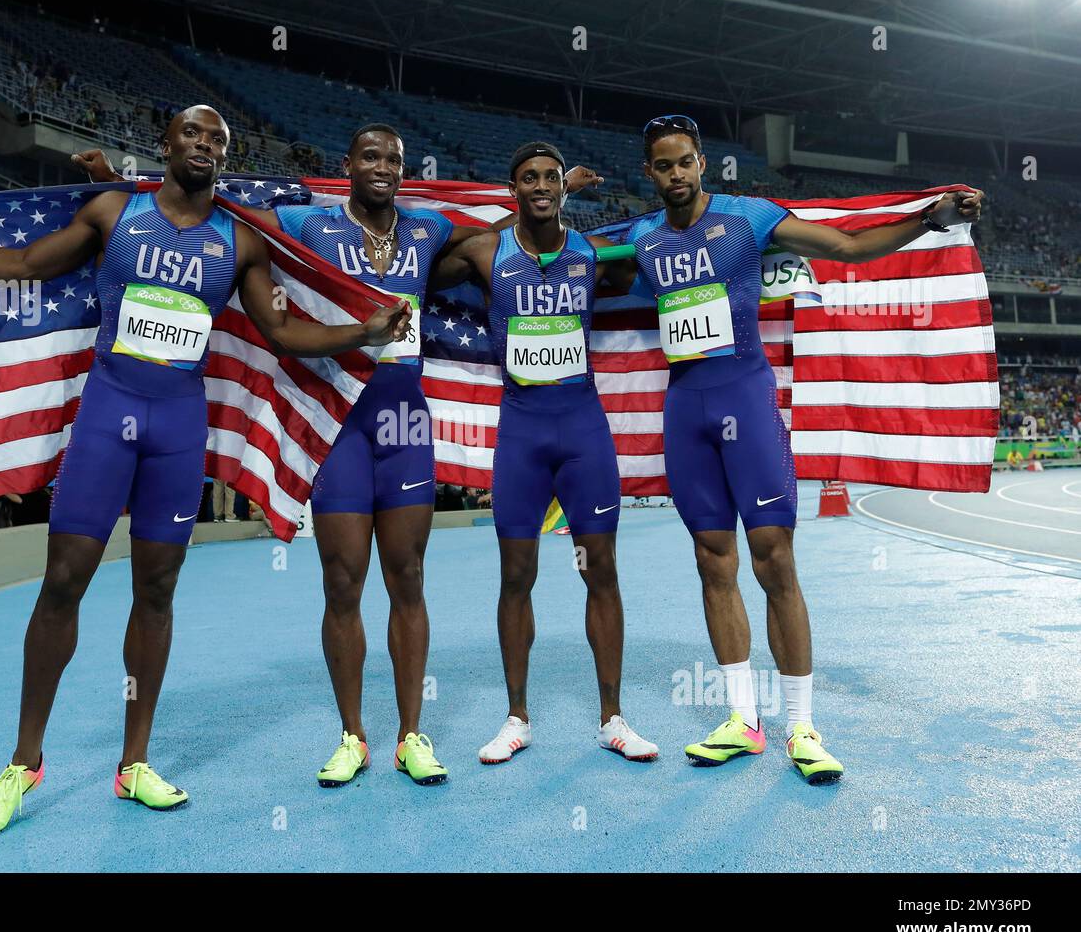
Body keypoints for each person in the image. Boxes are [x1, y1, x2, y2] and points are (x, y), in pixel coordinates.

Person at [0, 104, 410, 835]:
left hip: (178, 432)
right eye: (194, 134)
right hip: (108, 418)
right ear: (165, 145)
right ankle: (23, 762)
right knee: (64, 581)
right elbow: (22, 265)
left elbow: (279, 330)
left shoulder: (240, 241)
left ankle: (134, 763)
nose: (206, 146)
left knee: (157, 589)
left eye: (218, 139)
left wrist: (361, 331)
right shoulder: (116, 212)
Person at [73, 128, 600, 788]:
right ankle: (353, 734)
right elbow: (213, 200)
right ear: (347, 164)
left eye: (394, 161)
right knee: (343, 580)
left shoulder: (427, 229)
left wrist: (561, 191)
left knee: (406, 574)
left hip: (404, 421)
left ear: (405, 171)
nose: (382, 168)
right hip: (339, 426)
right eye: (370, 157)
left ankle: (412, 732)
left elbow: (508, 218)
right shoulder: (309, 224)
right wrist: (118, 184)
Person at [600, 114, 984, 783]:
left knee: (774, 558)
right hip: (684, 408)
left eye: (685, 161)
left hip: (746, 403)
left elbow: (846, 246)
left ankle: (802, 727)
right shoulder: (640, 236)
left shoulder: (748, 217)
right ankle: (743, 722)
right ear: (649, 173)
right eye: (663, 166)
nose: (676, 174)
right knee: (710, 559)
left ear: (701, 162)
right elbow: (558, 258)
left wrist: (931, 218)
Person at [432, 142, 658, 765]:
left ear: (563, 187)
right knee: (516, 575)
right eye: (528, 178)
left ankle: (613, 717)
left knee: (601, 570)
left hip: (583, 433)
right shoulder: (486, 252)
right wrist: (520, 216)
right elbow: (418, 272)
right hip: (523, 436)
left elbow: (661, 266)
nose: (540, 186)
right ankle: (516, 717)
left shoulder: (595, 256)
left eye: (551, 179)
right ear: (513, 188)